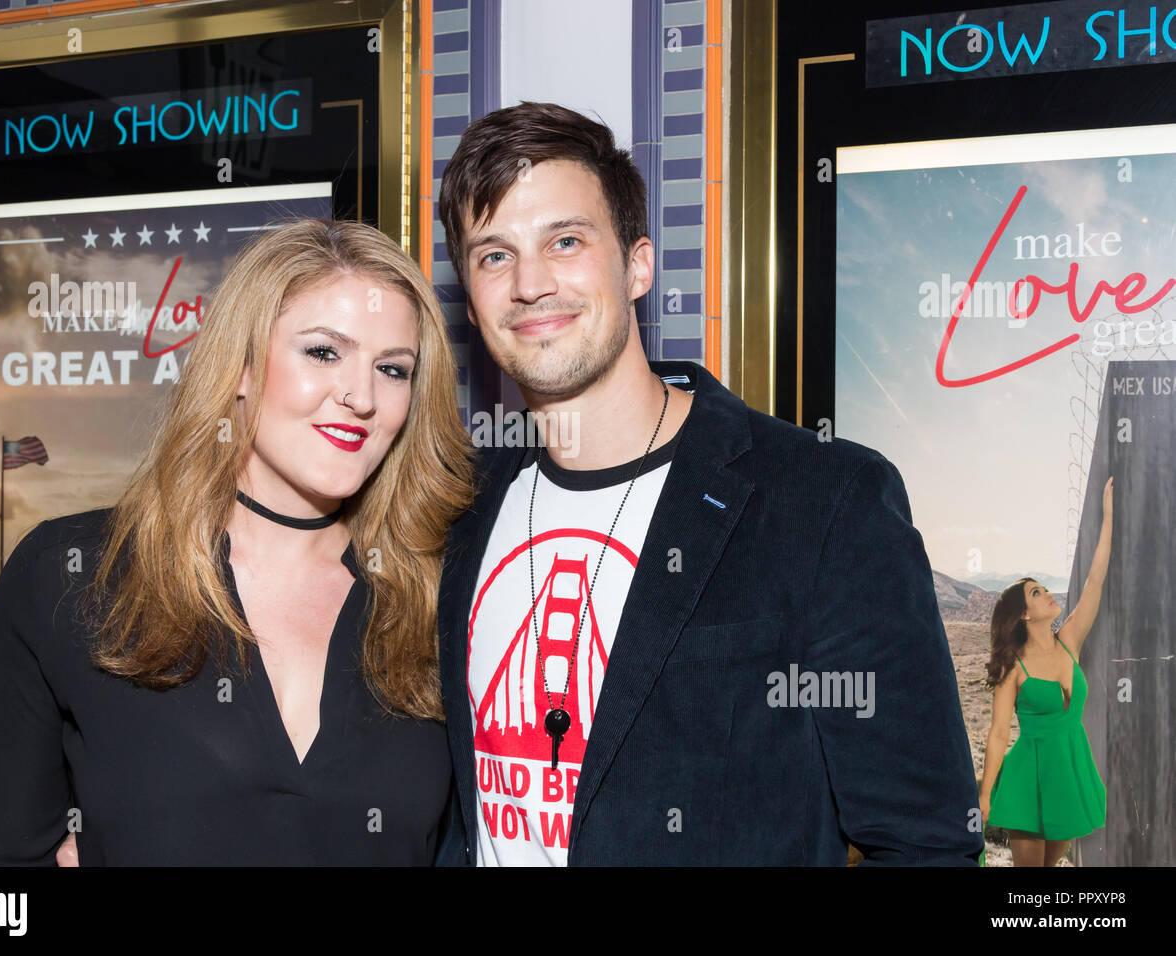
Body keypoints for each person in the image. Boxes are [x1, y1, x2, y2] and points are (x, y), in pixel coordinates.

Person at [433, 101, 983, 865]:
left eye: (565, 241)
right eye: (494, 255)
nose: (530, 284)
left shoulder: (822, 501)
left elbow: (924, 844)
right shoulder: (458, 501)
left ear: (638, 265)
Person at [0, 219, 475, 865]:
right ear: (242, 367)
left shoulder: (442, 594)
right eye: (324, 352)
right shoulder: (72, 576)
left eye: (392, 369)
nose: (361, 396)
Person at [979, 477, 1113, 867]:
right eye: (1036, 593)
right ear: (1023, 614)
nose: (1048, 593)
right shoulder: (1012, 667)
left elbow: (1094, 582)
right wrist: (986, 795)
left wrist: (1108, 519)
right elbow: (999, 733)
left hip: (1069, 771)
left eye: (1043, 588)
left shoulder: (1068, 641)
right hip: (1029, 778)